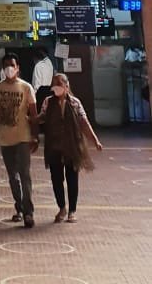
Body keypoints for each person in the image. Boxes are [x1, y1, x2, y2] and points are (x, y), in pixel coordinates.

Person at [39, 73, 103, 222]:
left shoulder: (75, 103)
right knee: (56, 179)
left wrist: (95, 140)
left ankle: (72, 211)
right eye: (54, 84)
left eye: (60, 84)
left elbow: (84, 123)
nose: (56, 87)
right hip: (54, 146)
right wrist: (30, 120)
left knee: (72, 178)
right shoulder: (48, 102)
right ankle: (61, 208)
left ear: (67, 86)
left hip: (72, 146)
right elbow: (42, 117)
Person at [0, 52, 39, 229]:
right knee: (13, 176)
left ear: (18, 68)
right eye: (6, 66)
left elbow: (33, 114)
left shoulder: (26, 88)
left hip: (23, 137)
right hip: (5, 138)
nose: (9, 68)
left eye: (12, 65)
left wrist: (35, 135)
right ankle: (18, 207)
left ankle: (28, 212)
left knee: (25, 174)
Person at [32, 48, 55, 112]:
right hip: (49, 93)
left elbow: (37, 84)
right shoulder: (50, 64)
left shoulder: (38, 66)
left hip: (40, 94)